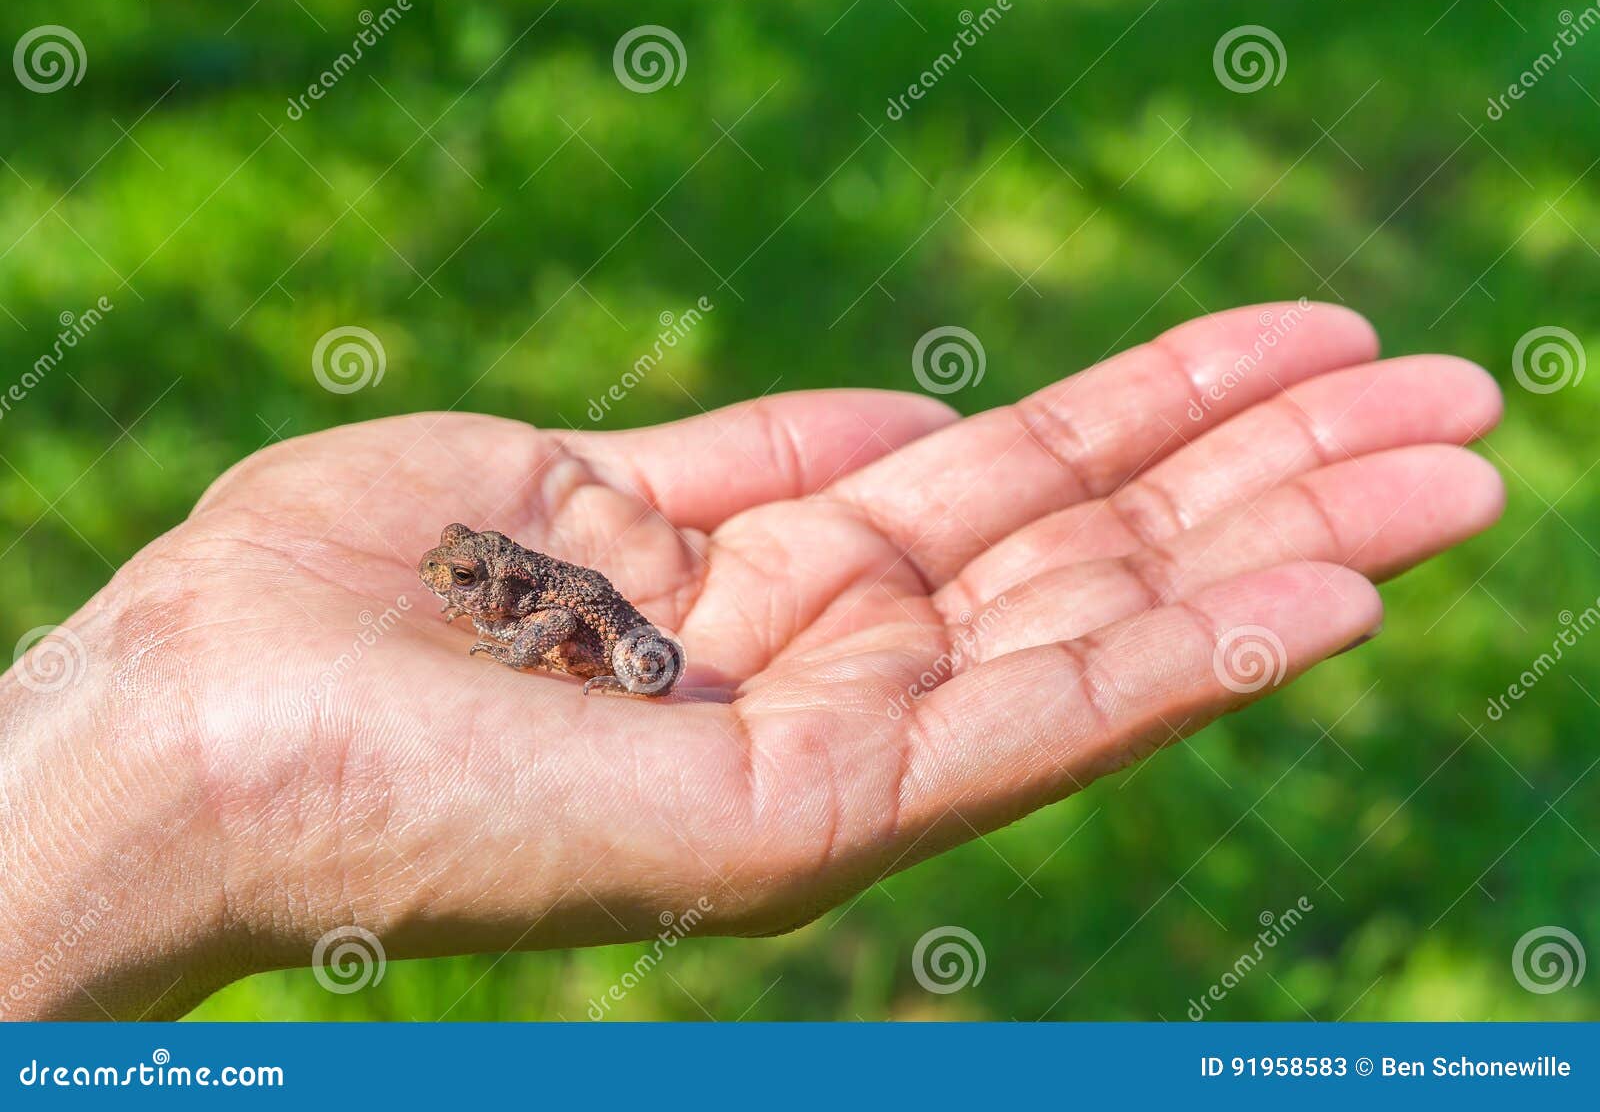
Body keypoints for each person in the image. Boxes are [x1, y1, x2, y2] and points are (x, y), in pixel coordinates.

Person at [0, 303, 1505, 1020]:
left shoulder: (548, 598)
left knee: (623, 652)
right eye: (464, 574)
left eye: (468, 573)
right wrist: (184, 752)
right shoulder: (513, 582)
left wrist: (555, 651)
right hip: (604, 616)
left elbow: (590, 637)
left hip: (623, 629)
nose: (457, 586)